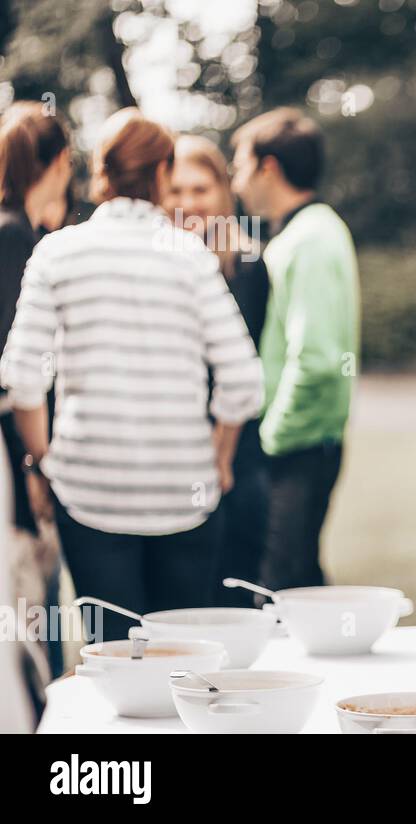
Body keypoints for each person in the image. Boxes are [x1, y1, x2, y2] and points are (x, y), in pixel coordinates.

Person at [0, 108, 262, 643]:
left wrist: (43, 461)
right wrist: (220, 457)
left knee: (115, 662)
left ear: (100, 172)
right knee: (186, 662)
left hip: (89, 489)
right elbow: (242, 378)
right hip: (185, 489)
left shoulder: (57, 251)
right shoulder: (190, 256)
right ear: (162, 173)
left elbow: (22, 377)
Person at [230, 108, 359, 592]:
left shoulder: (313, 238)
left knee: (283, 593)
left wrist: (269, 440)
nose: (236, 181)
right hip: (294, 446)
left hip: (297, 448)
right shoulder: (302, 233)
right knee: (294, 585)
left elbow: (319, 359)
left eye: (240, 165)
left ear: (269, 167)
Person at [167, 135, 272, 608]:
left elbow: (236, 370)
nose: (188, 203)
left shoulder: (245, 264)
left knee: (228, 600)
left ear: (223, 193)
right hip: (171, 463)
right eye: (176, 190)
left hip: (233, 456)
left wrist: (220, 455)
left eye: (200, 189)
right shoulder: (156, 266)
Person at [0, 102, 73, 679]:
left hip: (22, 454)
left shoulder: (25, 234)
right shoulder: (13, 239)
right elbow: (16, 373)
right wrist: (34, 467)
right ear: (58, 164)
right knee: (30, 620)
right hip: (17, 460)